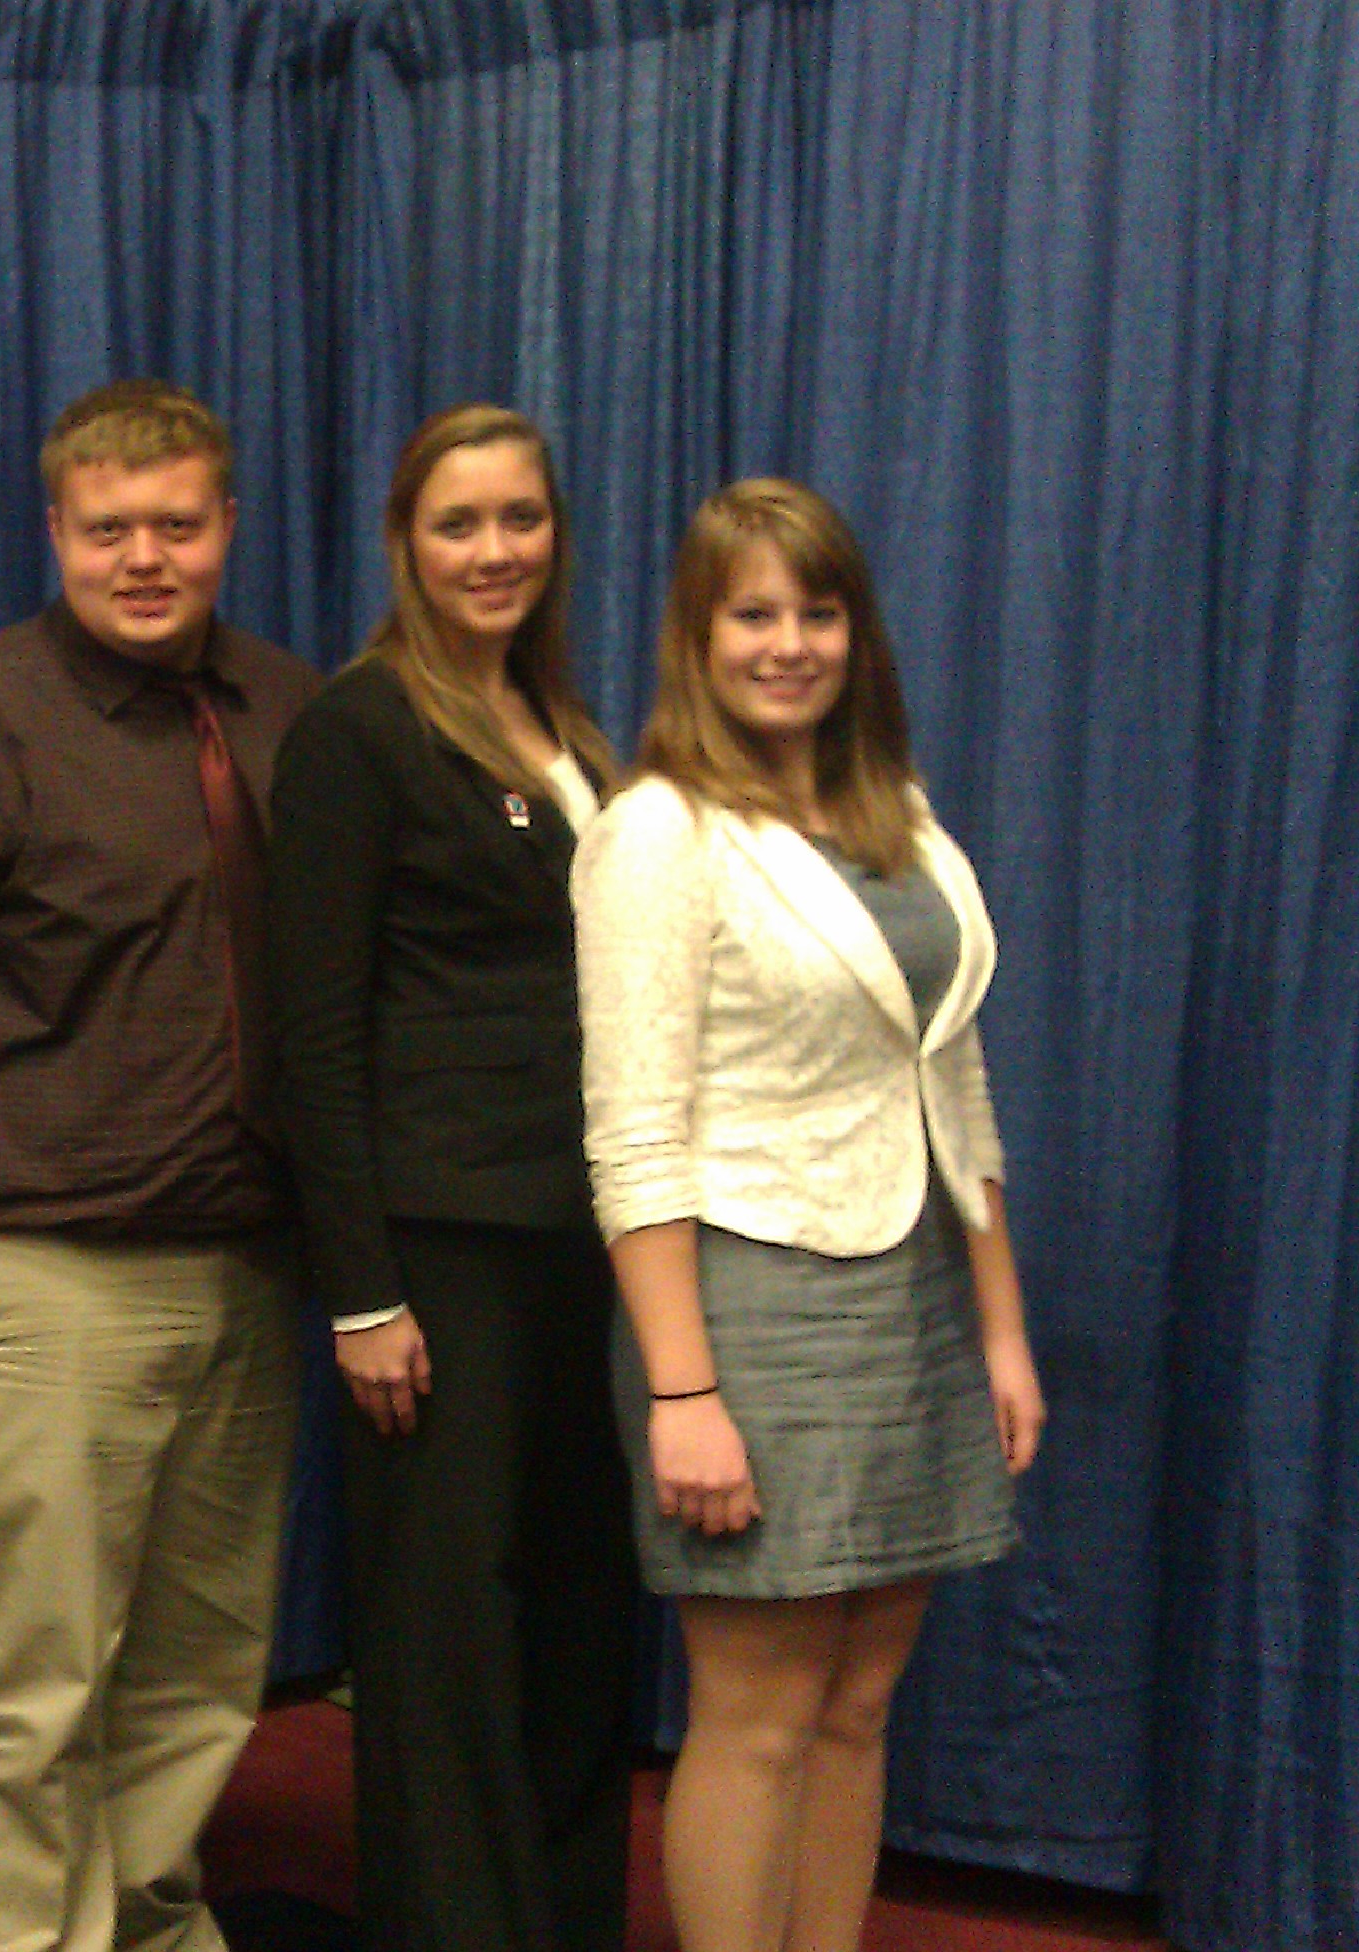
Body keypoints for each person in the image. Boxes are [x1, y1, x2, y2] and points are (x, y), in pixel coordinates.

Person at [0, 378, 325, 1952]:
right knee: (28, 1682)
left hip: (244, 1274)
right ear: (58, 534)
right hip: (34, 1285)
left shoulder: (293, 712)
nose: (146, 558)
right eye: (111, 530)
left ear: (227, 526)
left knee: (198, 1666)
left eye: (178, 524)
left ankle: (153, 1921)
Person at [574, 478, 1047, 1952]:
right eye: (754, 615)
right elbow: (633, 1136)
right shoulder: (661, 833)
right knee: (763, 1715)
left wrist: (1003, 1332)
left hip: (909, 1297)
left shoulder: (894, 816)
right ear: (699, 639)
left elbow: (948, 1082)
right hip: (750, 1309)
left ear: (857, 631)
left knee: (855, 1707)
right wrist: (684, 1392)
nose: (789, 645)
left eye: (817, 612)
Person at [264, 404, 635, 1952]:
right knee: (445, 1638)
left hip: (588, 1242)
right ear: (408, 545)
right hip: (439, 1250)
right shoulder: (363, 729)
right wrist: (362, 1293)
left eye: (520, 520)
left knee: (574, 1622)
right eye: (459, 524)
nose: (495, 551)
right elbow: (313, 1031)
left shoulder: (571, 729)